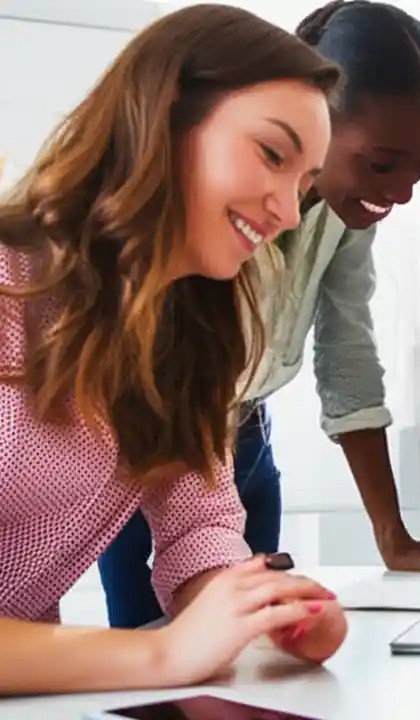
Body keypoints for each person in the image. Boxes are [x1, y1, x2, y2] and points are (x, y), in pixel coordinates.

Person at [0, 5, 348, 694]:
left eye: (304, 186)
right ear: (160, 117)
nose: (284, 210)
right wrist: (166, 655)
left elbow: (200, 524)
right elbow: (170, 652)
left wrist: (255, 604)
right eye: (272, 155)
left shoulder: (183, 328)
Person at [97, 0, 420, 631]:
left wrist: (392, 536)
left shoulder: (340, 211)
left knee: (244, 654)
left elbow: (347, 351)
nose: (403, 190)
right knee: (152, 656)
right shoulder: (198, 224)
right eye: (382, 163)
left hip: (240, 442)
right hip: (152, 444)